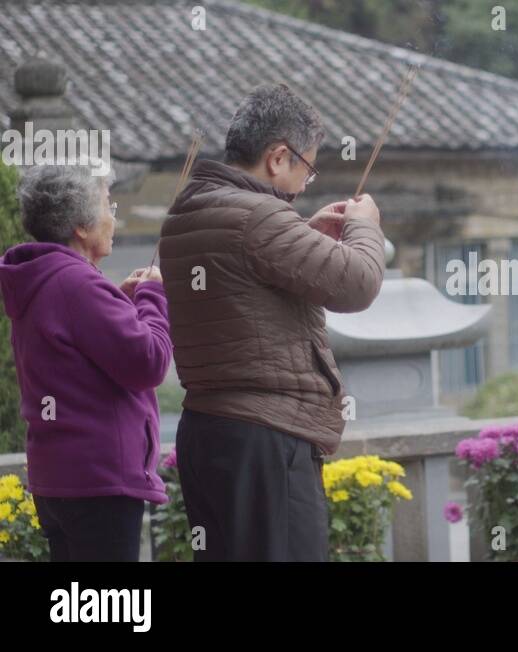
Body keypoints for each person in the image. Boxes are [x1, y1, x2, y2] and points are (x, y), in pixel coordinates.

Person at [160, 83, 385, 561]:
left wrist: (302, 235)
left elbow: (243, 285)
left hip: (208, 430)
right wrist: (365, 224)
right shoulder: (259, 217)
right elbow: (359, 282)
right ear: (278, 157)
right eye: (306, 167)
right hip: (266, 435)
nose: (305, 184)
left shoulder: (186, 213)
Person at [0, 163, 172, 561]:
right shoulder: (78, 285)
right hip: (100, 480)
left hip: (59, 479)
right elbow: (149, 361)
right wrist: (152, 298)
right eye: (108, 205)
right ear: (81, 225)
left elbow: (78, 348)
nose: (113, 216)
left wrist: (119, 301)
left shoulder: (42, 278)